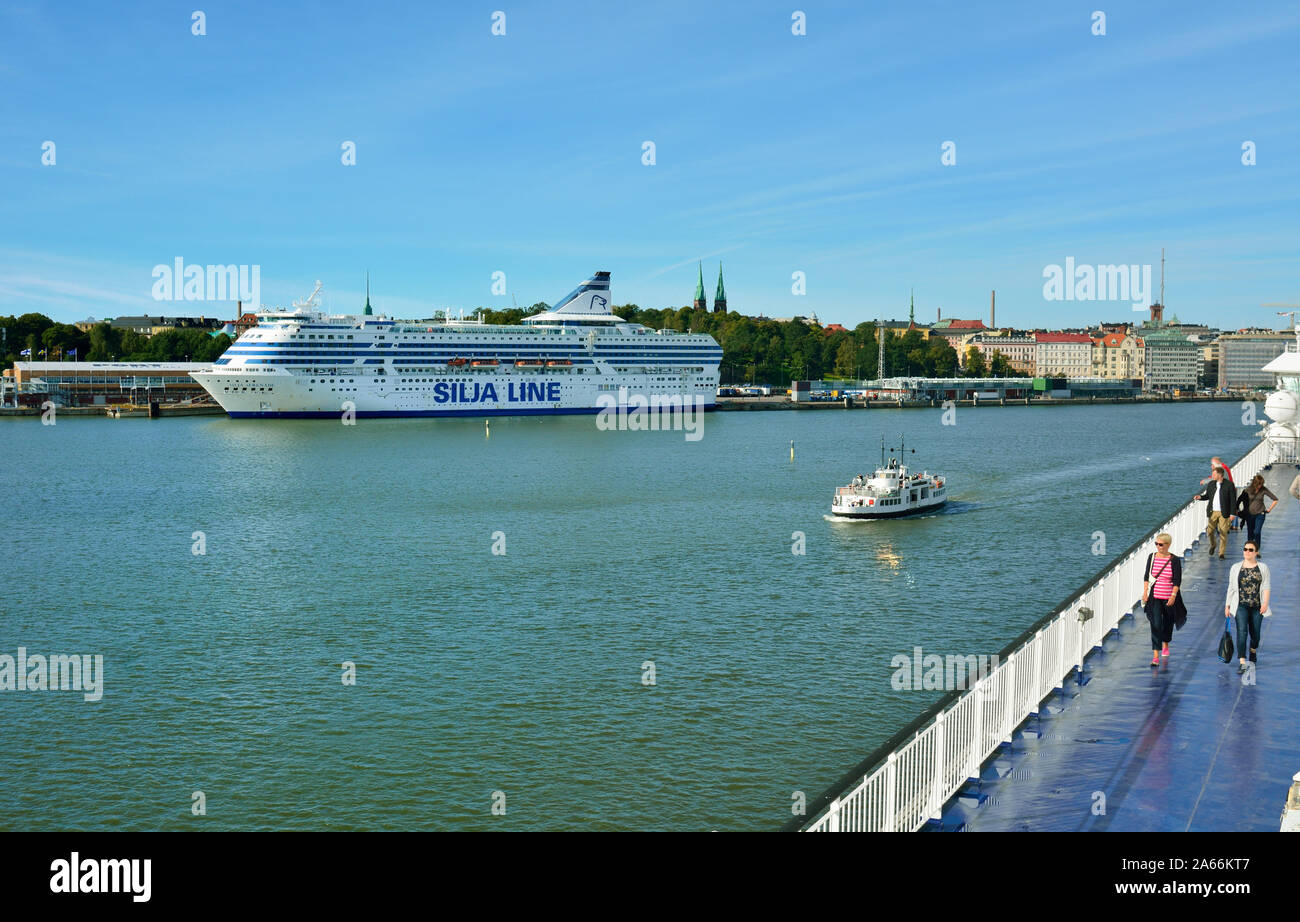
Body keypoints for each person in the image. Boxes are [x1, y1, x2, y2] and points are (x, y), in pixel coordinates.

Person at [1225, 541, 1271, 673]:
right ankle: (1242, 661)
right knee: (1242, 631)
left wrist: (1265, 603)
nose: (1247, 552)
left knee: (1255, 634)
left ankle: (1253, 649)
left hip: (1257, 606)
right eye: (1245, 549)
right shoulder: (1235, 567)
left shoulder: (1263, 567)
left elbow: (1266, 586)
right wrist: (1227, 605)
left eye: (1251, 550)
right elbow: (1231, 588)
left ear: (1256, 552)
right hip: (1241, 605)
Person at [1142, 533, 1182, 666]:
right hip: (1154, 597)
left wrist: (1173, 596)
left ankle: (1166, 643)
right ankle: (1155, 655)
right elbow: (1147, 576)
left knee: (1168, 622)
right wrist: (1145, 593)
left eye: (1161, 544)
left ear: (1168, 545)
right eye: (1156, 544)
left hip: (1169, 597)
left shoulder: (1174, 560)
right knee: (1155, 624)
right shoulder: (1152, 557)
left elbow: (1177, 580)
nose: (1158, 547)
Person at [1196, 466, 1237, 559]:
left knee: (1223, 532)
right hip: (1213, 511)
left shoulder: (1229, 485)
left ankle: (1221, 553)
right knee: (1209, 531)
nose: (1212, 475)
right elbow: (1207, 496)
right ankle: (1213, 544)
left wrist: (1232, 513)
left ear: (1220, 474)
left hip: (1224, 512)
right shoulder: (1211, 484)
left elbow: (1233, 500)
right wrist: (1200, 497)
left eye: (1214, 474)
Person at [1236, 474, 1279, 551]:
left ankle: (1257, 549)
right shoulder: (1247, 490)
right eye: (1259, 484)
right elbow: (1239, 500)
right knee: (1250, 533)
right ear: (1255, 483)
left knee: (1257, 531)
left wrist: (1269, 509)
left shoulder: (1263, 489)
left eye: (1261, 484)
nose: (1260, 486)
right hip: (1249, 514)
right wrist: (1238, 510)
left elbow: (1275, 499)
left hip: (1260, 513)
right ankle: (1250, 549)